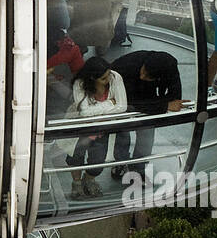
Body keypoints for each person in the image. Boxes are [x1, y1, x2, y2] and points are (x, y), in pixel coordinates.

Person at [110, 51, 184, 179]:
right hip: (123, 93)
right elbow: (127, 103)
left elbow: (175, 97)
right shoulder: (127, 66)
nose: (142, 76)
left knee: (147, 132)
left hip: (146, 96)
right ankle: (120, 162)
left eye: (148, 76)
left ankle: (139, 167)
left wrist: (155, 105)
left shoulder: (169, 67)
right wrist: (163, 105)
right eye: (143, 70)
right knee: (122, 130)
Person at [63, 56, 127, 199]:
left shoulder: (115, 78)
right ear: (92, 78)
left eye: (109, 74)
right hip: (81, 128)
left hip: (102, 130)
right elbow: (84, 113)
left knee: (98, 161)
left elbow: (122, 107)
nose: (109, 79)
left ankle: (89, 179)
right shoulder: (80, 84)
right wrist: (110, 104)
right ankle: (77, 183)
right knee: (75, 157)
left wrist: (98, 109)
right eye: (104, 78)